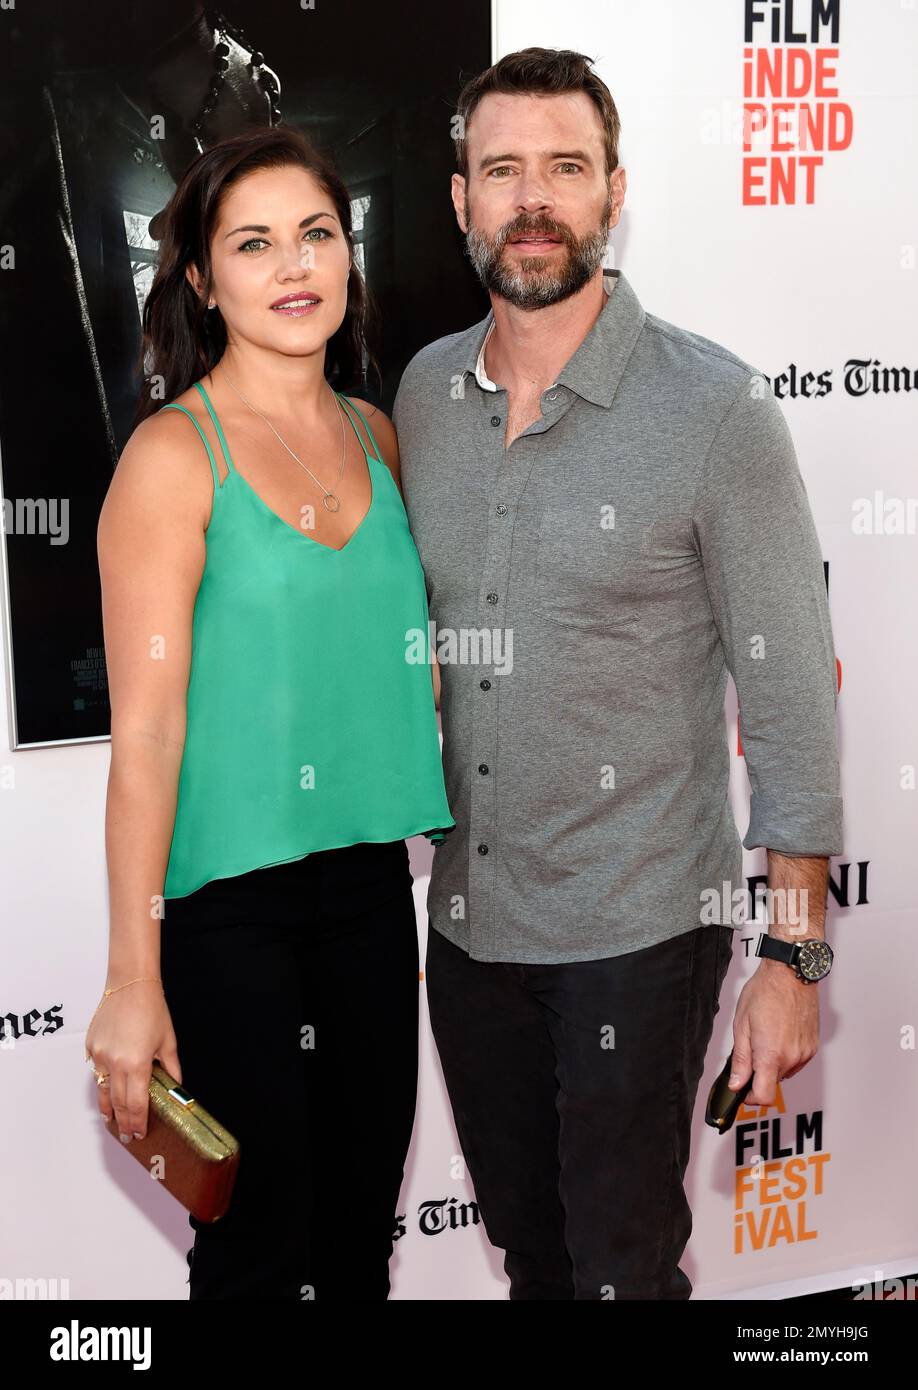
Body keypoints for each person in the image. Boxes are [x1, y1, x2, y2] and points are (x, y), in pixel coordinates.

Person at [393, 47, 843, 1300]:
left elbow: (795, 703)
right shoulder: (425, 393)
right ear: (460, 198)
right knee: (534, 1260)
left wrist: (795, 960)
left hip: (639, 937)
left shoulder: (716, 412)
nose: (532, 198)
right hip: (469, 931)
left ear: (614, 192)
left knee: (621, 1273)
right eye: (503, 170)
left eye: (565, 168)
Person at [84, 124, 454, 1301]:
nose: (294, 266)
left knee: (358, 1241)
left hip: (365, 891)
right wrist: (131, 976)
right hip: (227, 912)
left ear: (349, 257)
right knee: (257, 1253)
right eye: (254, 244)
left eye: (316, 236)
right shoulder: (170, 457)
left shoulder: (378, 436)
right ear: (203, 277)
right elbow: (143, 735)